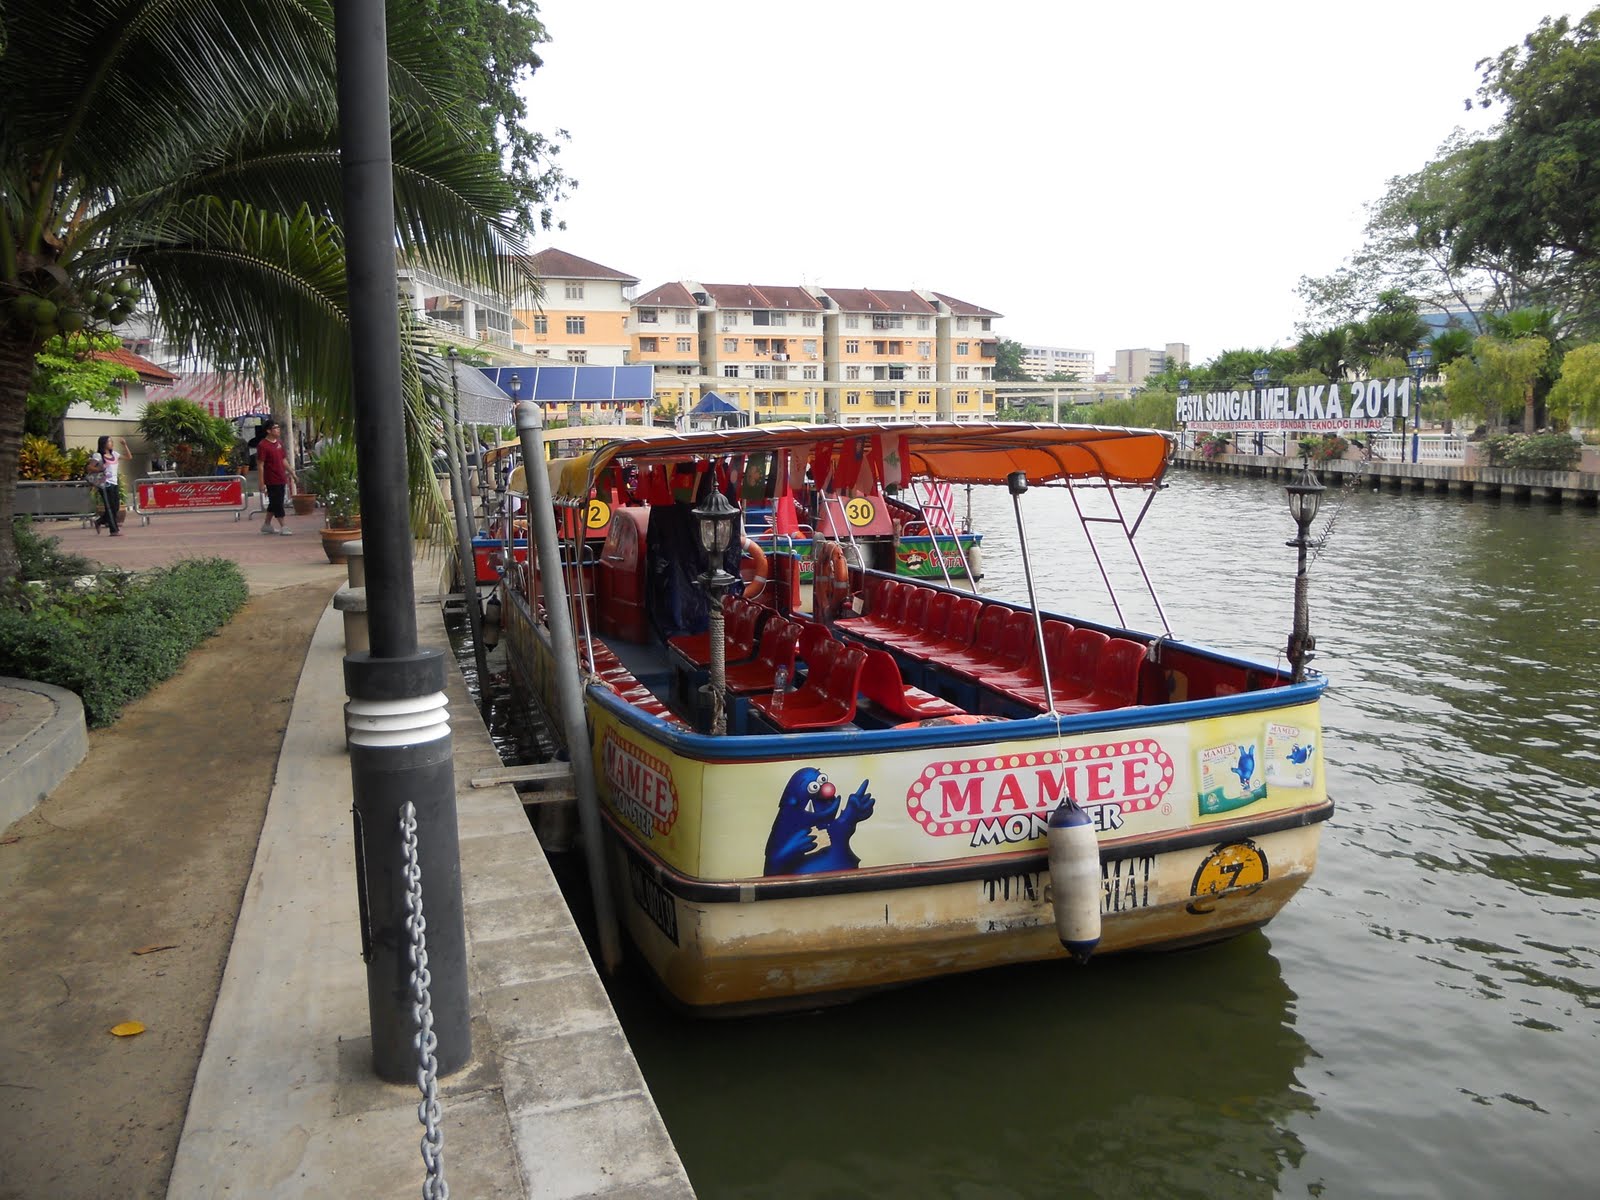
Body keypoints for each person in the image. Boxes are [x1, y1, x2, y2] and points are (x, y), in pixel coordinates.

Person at [256, 419, 297, 535]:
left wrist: (292, 473)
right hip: (271, 479)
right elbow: (260, 465)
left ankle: (267, 524)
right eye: (275, 428)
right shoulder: (262, 445)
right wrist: (261, 482)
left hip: (281, 477)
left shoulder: (279, 443)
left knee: (274, 502)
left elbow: (283, 459)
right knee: (277, 502)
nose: (278, 430)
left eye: (278, 427)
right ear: (268, 430)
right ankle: (283, 525)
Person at [89, 435, 124, 536]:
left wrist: (124, 445)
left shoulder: (114, 454)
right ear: (104, 443)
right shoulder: (98, 455)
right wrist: (100, 469)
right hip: (104, 483)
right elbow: (90, 467)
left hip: (114, 482)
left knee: (115, 506)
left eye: (111, 441)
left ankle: (99, 521)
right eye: (109, 442)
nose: (111, 443)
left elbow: (129, 457)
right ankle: (114, 530)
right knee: (109, 506)